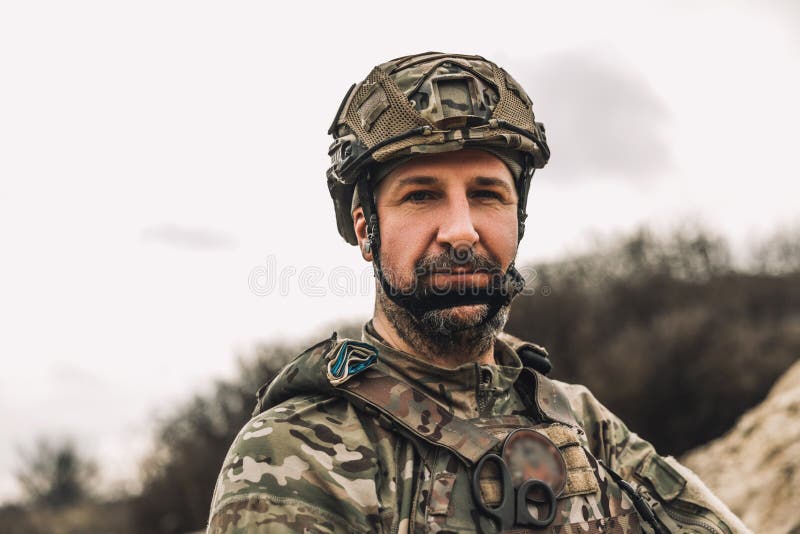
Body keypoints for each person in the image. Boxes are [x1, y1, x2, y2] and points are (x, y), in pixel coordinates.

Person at [207, 52, 749, 533]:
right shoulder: (295, 451)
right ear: (367, 229)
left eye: (487, 195)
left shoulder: (579, 421)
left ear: (519, 219)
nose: (461, 230)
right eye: (421, 195)